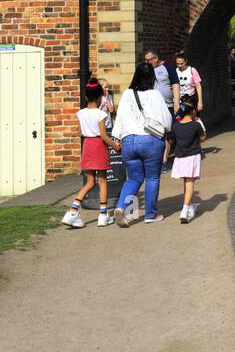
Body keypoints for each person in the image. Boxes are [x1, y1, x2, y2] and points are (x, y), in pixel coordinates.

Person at [111, 62, 173, 225]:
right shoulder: (155, 95)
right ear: (152, 77)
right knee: (152, 178)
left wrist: (117, 138)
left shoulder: (126, 94)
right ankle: (150, 214)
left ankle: (120, 207)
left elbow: (119, 120)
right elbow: (166, 122)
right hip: (150, 140)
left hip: (129, 141)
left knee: (133, 178)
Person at [62, 80, 118, 228]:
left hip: (87, 146)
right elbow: (104, 136)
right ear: (100, 97)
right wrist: (116, 146)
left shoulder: (80, 113)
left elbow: (80, 132)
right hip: (99, 146)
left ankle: (72, 212)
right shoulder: (100, 114)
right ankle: (103, 215)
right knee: (103, 181)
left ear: (86, 97)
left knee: (89, 182)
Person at [170, 94, 207, 223]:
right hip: (192, 156)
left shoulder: (176, 126)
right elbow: (203, 138)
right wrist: (199, 122)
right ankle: (185, 210)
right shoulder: (196, 125)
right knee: (190, 182)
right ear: (193, 111)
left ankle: (190, 206)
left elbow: (171, 140)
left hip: (180, 157)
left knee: (186, 182)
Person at [144, 49, 180, 116]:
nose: (146, 62)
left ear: (156, 58)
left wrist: (176, 103)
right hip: (151, 107)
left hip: (167, 106)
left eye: (148, 60)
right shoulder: (147, 69)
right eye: (145, 60)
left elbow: (175, 85)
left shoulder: (168, 67)